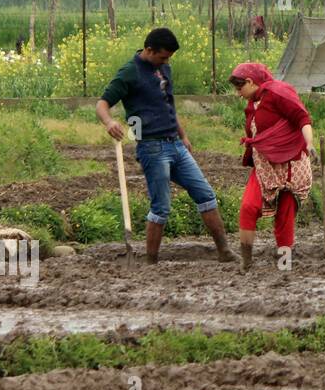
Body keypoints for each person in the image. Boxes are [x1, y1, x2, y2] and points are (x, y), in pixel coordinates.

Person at [95, 27, 236, 264]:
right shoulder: (129, 73)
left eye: (168, 58)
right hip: (151, 147)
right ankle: (151, 260)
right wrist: (109, 122)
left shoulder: (164, 69)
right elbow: (102, 104)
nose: (166, 61)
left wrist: (183, 135)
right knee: (161, 207)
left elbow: (168, 105)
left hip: (175, 144)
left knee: (205, 194)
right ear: (149, 50)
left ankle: (224, 251)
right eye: (163, 57)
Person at [229, 62, 316, 272]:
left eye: (240, 88)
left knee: (284, 216)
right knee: (249, 207)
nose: (238, 94)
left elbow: (302, 117)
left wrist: (310, 143)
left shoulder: (279, 93)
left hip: (290, 164)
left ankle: (284, 265)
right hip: (264, 164)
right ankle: (246, 262)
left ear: (250, 82)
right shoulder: (253, 103)